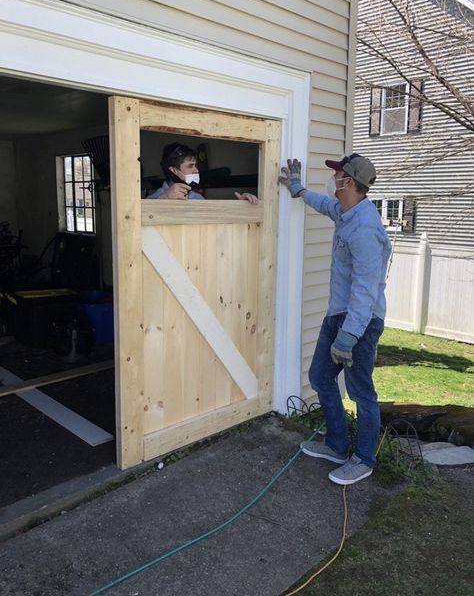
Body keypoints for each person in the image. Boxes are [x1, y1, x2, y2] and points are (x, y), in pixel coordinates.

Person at [279, 154, 391, 485]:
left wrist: (348, 336)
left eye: (338, 175)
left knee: (361, 392)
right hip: (338, 315)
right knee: (320, 377)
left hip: (360, 323)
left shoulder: (365, 230)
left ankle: (364, 459)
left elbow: (365, 292)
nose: (334, 179)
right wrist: (298, 190)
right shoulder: (346, 212)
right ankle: (338, 446)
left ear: (351, 183)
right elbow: (324, 205)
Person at [148, 142, 259, 203]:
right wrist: (163, 198)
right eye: (190, 166)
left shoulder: (197, 198)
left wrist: (240, 205)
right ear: (174, 170)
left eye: (196, 165)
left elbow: (216, 219)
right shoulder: (155, 198)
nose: (196, 170)